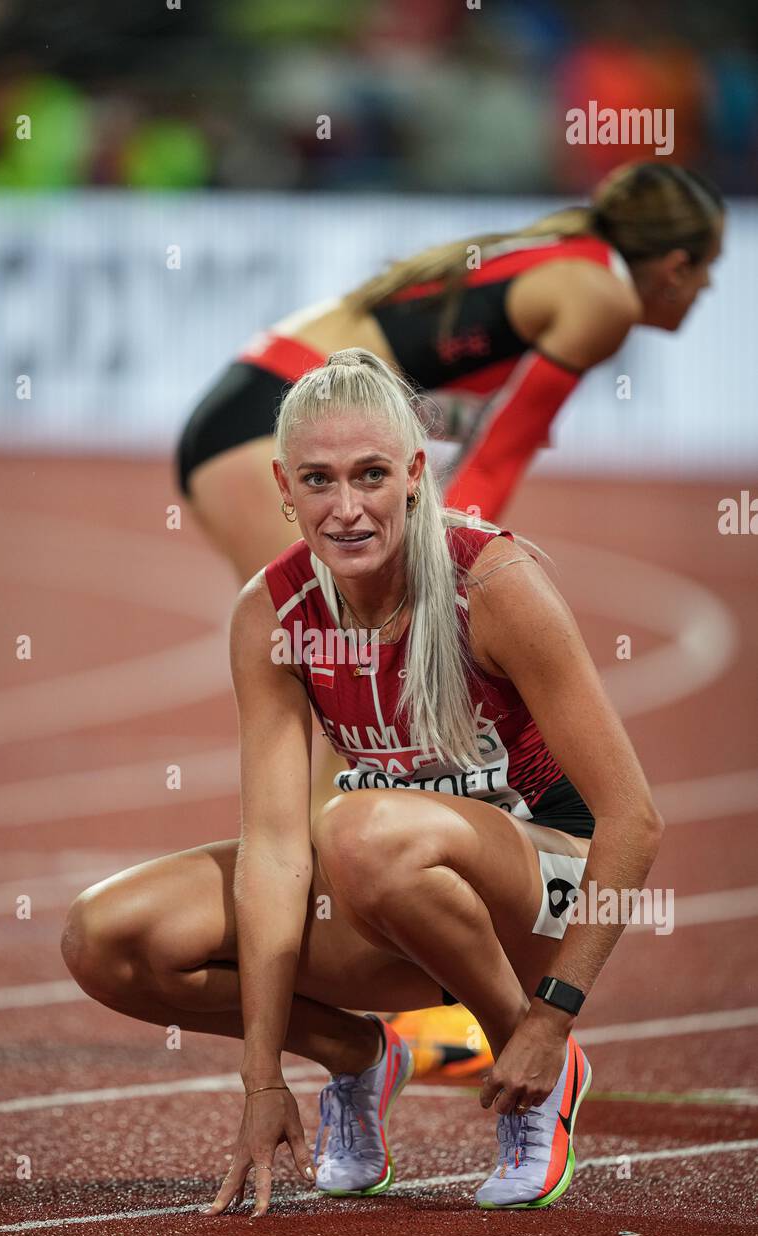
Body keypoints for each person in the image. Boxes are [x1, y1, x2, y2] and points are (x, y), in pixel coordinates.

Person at [62, 349, 664, 1217]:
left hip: (538, 896)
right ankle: (356, 1056)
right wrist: (262, 1073)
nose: (346, 509)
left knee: (357, 828)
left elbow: (634, 822)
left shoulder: (491, 584)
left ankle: (530, 1062)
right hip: (392, 893)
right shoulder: (271, 615)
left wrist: (554, 1013)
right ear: (283, 486)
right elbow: (273, 850)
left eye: (371, 475)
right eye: (319, 480)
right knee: (106, 937)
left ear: (416, 472)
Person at [175, 159, 722, 1077]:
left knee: (350, 677)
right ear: (669, 264)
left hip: (253, 394)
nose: (706, 291)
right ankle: (366, 945)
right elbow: (503, 453)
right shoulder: (601, 299)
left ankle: (378, 918)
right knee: (326, 668)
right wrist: (461, 568)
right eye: (704, 271)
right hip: (279, 417)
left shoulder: (565, 255)